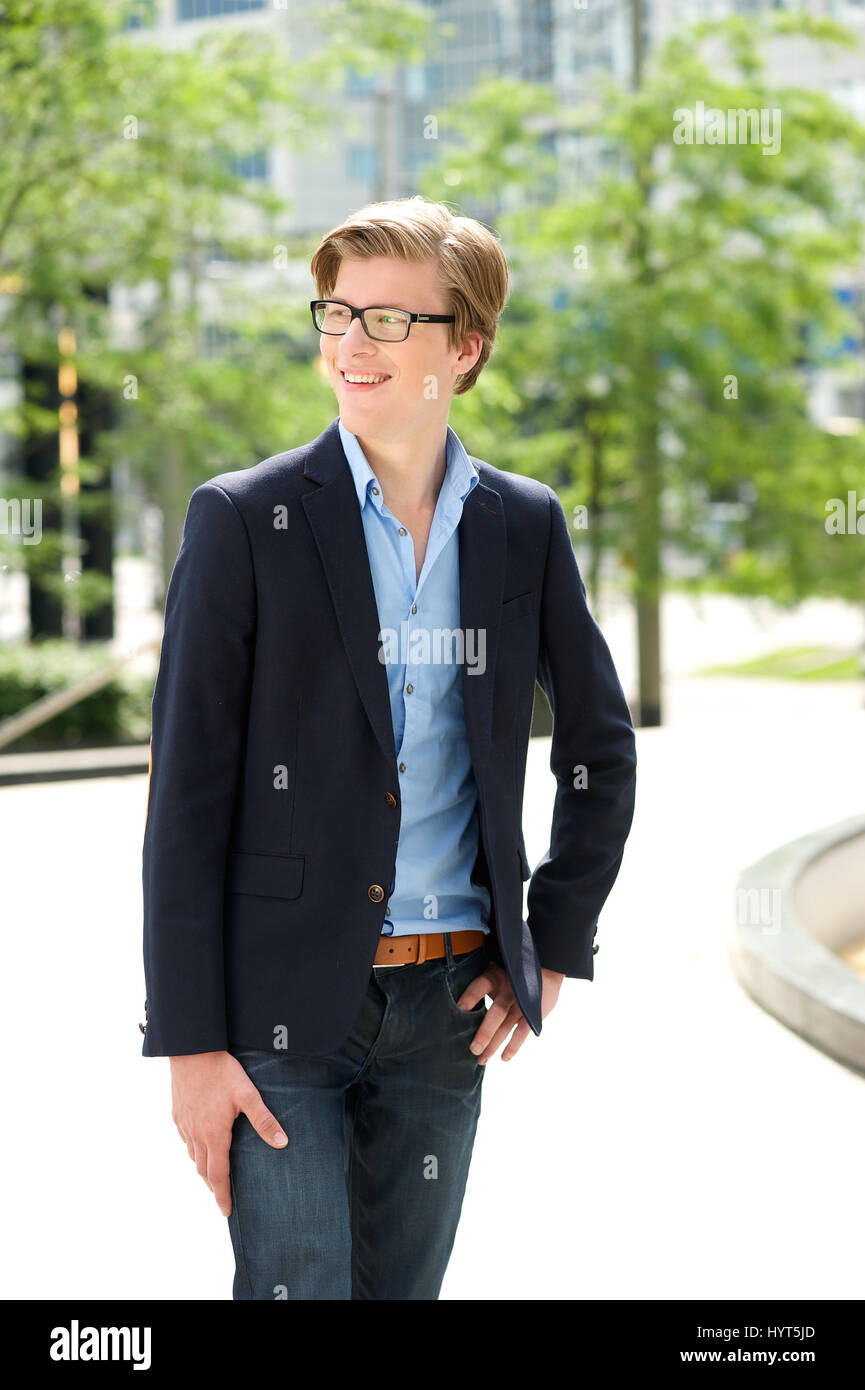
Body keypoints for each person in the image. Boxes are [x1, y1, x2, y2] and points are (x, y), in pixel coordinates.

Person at [141, 195, 637, 1300]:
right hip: (275, 1006)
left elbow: (599, 746)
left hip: (445, 1014)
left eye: (385, 320)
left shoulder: (521, 524)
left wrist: (548, 943)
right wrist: (188, 1045)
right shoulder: (244, 519)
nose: (349, 343)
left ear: (463, 348)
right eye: (335, 312)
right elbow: (184, 797)